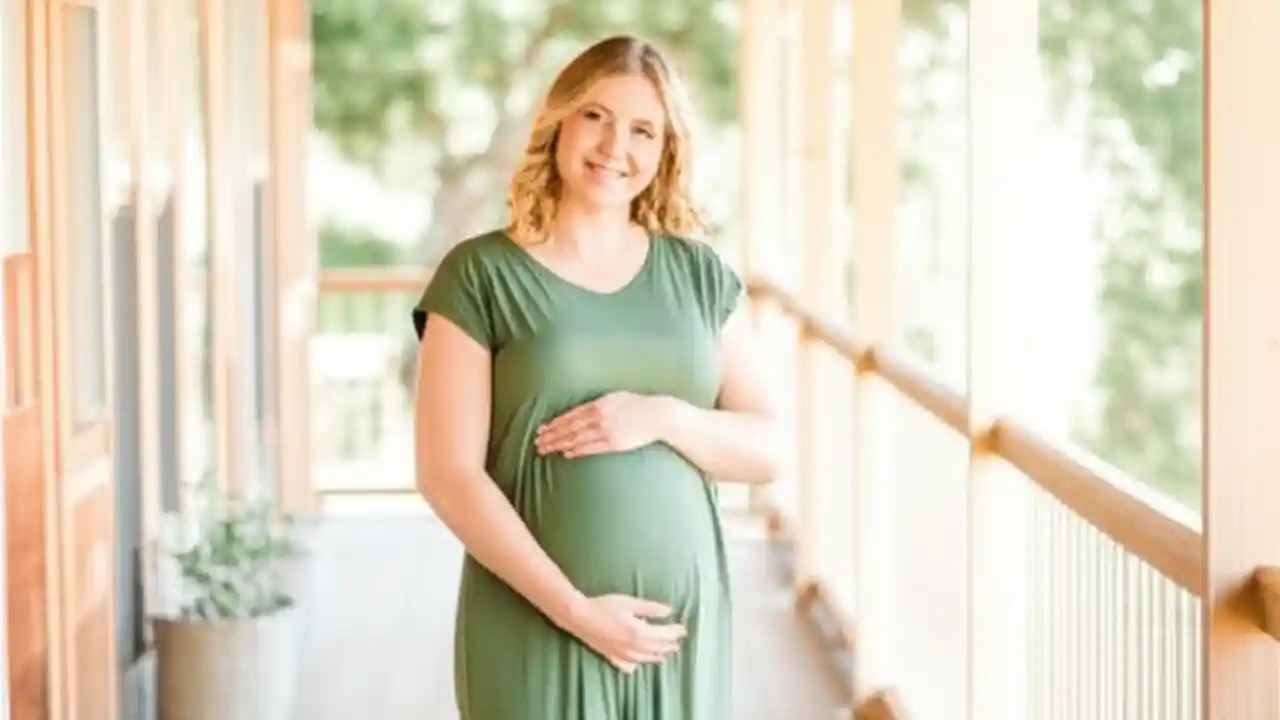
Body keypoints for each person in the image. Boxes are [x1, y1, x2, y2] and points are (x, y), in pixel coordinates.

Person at [411, 33, 779, 720]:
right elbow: (448, 476)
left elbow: (767, 450)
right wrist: (576, 612)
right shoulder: (480, 276)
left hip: (677, 633)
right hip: (536, 621)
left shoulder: (699, 277)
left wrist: (665, 416)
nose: (616, 147)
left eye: (643, 129)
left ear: (666, 150)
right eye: (596, 116)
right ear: (559, 121)